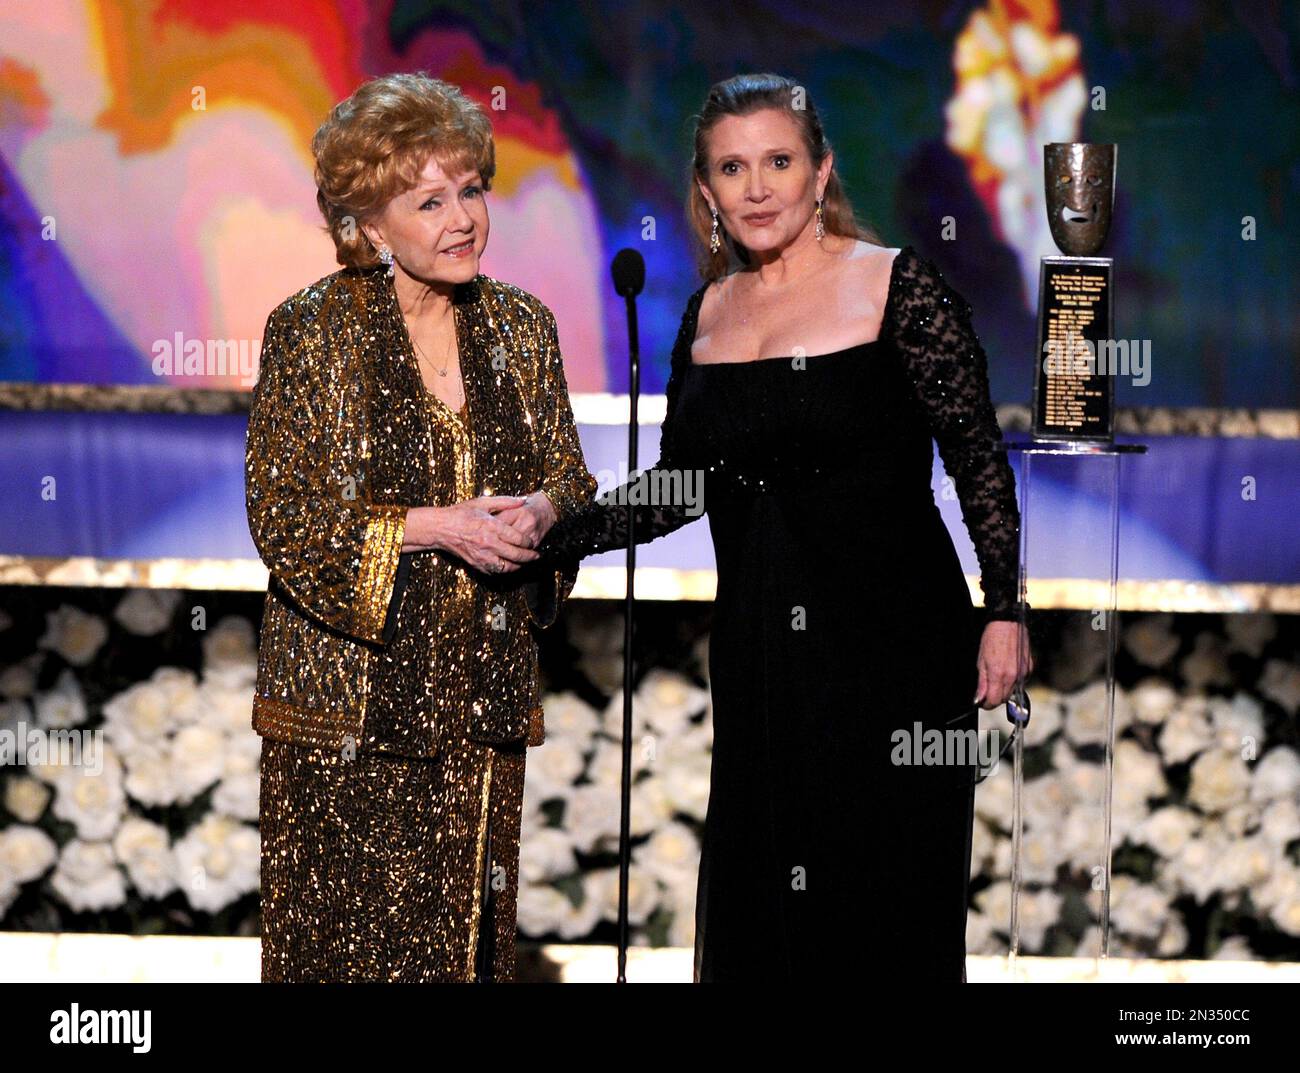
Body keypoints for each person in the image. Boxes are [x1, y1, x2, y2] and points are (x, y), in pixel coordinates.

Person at [537, 73, 1034, 982]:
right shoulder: (707, 316)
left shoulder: (898, 289)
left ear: (821, 171)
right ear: (706, 190)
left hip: (896, 654)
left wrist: (1004, 606)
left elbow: (976, 457)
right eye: (733, 167)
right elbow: (678, 489)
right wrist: (551, 528)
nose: (757, 187)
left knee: (885, 904)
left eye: (778, 161)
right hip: (764, 656)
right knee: (765, 901)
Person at [246, 72, 595, 982]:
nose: (463, 217)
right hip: (346, 720)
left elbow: (569, 478)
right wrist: (439, 527)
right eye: (428, 199)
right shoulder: (310, 331)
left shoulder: (524, 326)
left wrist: (550, 513)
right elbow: (286, 516)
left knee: (464, 954)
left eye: (471, 190)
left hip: (481, 705)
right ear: (367, 224)